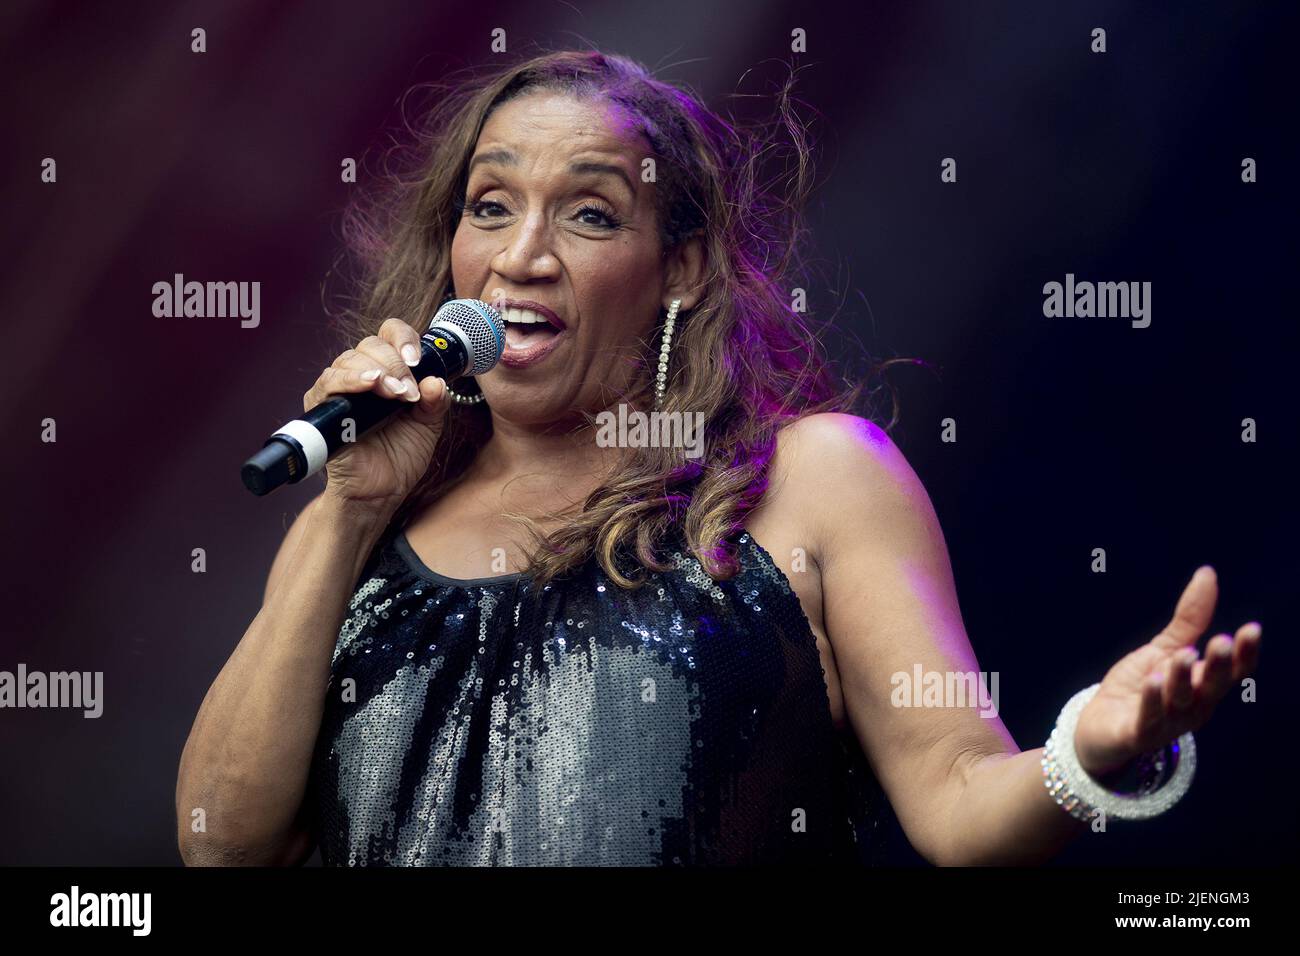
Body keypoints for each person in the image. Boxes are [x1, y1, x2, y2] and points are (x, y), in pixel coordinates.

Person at [175, 50, 1261, 866]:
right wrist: (346, 510)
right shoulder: (373, 519)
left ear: (679, 266)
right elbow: (219, 840)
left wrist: (1089, 748)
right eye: (490, 205)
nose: (520, 255)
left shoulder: (810, 481)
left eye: (589, 214)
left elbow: (955, 790)